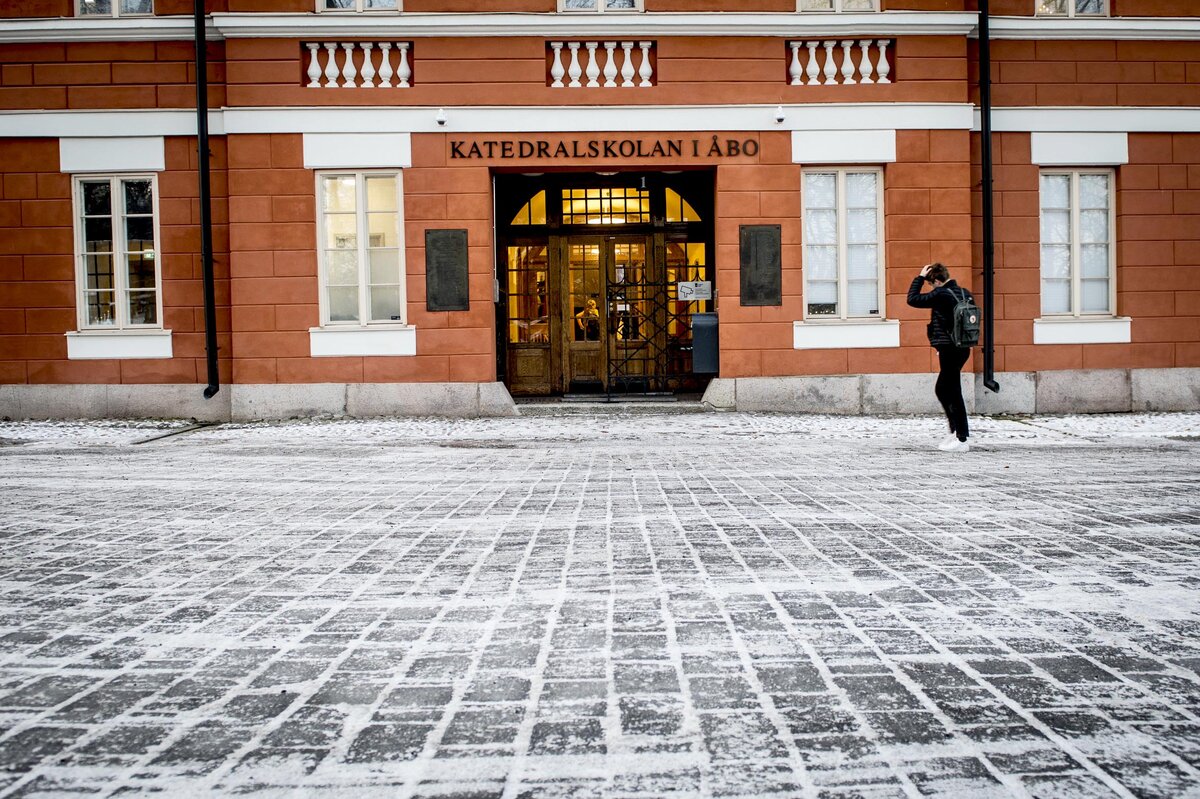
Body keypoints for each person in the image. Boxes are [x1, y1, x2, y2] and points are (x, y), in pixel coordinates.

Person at [907, 263, 974, 453]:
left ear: (936, 280)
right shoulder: (964, 292)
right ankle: (956, 431)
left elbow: (912, 299)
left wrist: (919, 277)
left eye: (930, 283)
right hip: (962, 347)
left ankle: (961, 438)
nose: (931, 287)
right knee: (944, 388)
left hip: (950, 348)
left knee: (952, 389)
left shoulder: (942, 294)